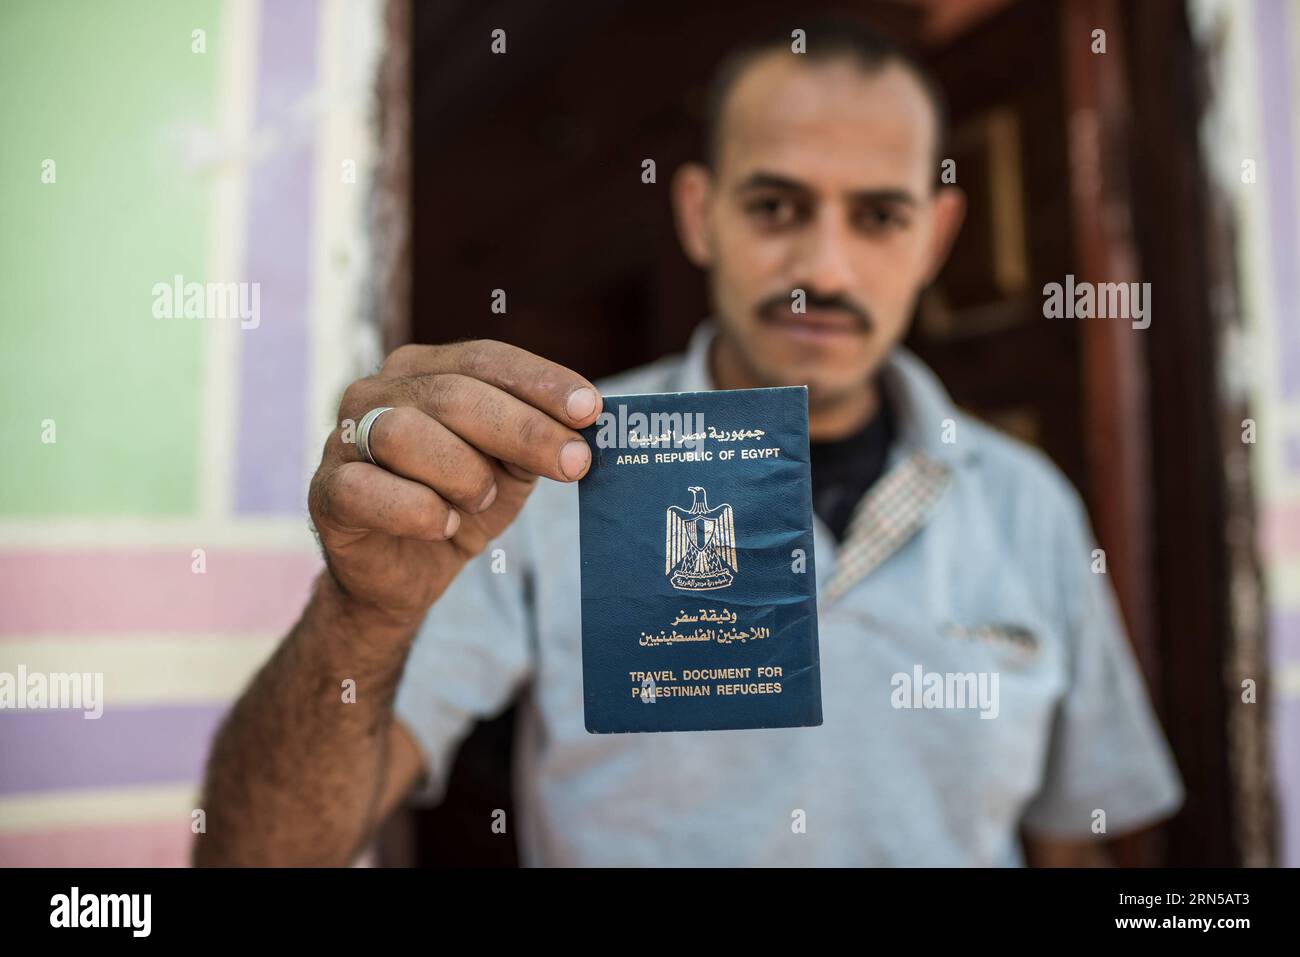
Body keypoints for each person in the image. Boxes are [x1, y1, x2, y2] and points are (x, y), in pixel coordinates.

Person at [194, 18, 1183, 867]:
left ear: (935, 236)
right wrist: (361, 618)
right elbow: (257, 857)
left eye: (879, 216)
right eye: (775, 207)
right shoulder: (546, 474)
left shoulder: (1028, 504)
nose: (823, 269)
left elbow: (1079, 833)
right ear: (700, 214)